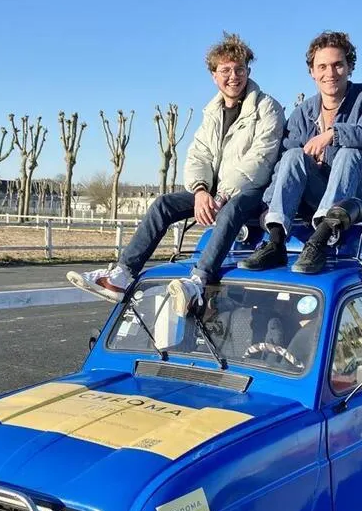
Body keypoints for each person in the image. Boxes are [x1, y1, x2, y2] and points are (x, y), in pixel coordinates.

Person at [67, 32, 285, 315]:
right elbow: (199, 154)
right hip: (215, 193)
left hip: (251, 192)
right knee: (163, 204)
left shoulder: (267, 108)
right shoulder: (212, 112)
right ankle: (123, 274)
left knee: (232, 209)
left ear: (248, 72)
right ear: (214, 76)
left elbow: (261, 159)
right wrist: (201, 191)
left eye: (239, 69)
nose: (234, 76)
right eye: (226, 70)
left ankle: (198, 281)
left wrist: (222, 195)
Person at [238, 31, 362, 274]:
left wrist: (334, 134)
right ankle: (276, 241)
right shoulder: (303, 113)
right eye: (322, 67)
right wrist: (267, 205)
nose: (330, 73)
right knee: (293, 155)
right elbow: (284, 163)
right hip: (320, 193)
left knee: (349, 153)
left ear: (350, 67)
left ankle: (321, 240)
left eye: (338, 65)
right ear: (312, 72)